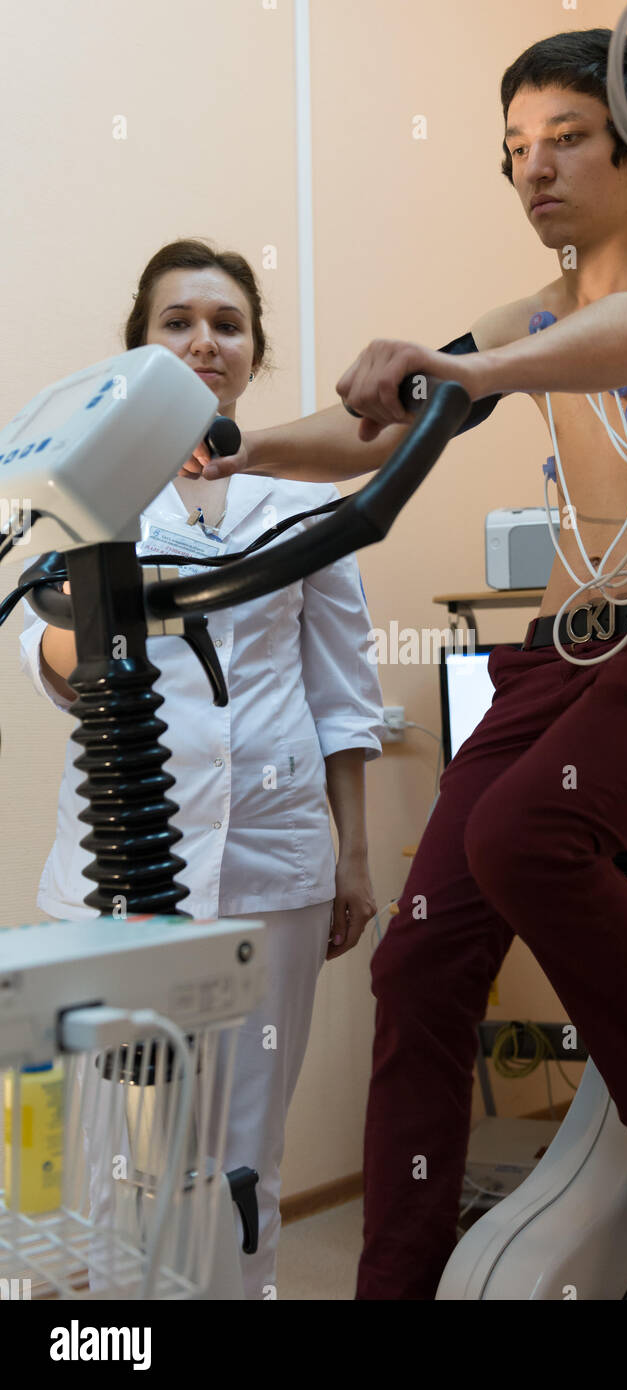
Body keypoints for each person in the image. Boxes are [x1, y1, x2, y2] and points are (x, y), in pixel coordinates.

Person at [184, 29, 627, 1301]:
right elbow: (374, 425)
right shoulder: (529, 317)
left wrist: (463, 369)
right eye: (515, 149)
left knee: (524, 833)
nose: (534, 171)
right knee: (419, 958)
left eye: (564, 137)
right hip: (551, 664)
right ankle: (394, 1285)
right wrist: (229, 443)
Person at [18, 238, 386, 1299]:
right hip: (119, 865)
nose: (203, 341)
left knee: (243, 1142)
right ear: (140, 344)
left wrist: (353, 857)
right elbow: (42, 647)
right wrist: (90, 629)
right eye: (178, 320)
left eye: (226, 323)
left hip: (275, 865)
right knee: (109, 1139)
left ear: (254, 350)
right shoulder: (96, 481)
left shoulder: (306, 499)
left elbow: (342, 693)